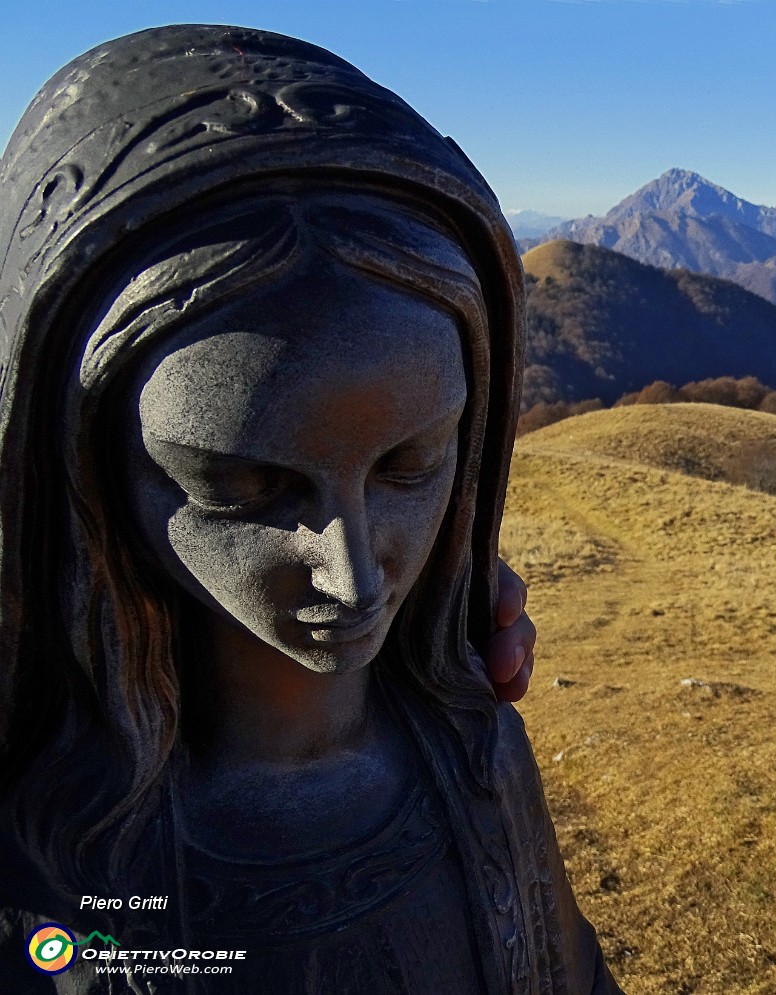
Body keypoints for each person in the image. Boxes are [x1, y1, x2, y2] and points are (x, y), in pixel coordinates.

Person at [0, 24, 618, 994]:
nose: (354, 572)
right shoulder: (50, 874)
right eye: (242, 487)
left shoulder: (480, 763)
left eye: (410, 464)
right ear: (81, 471)